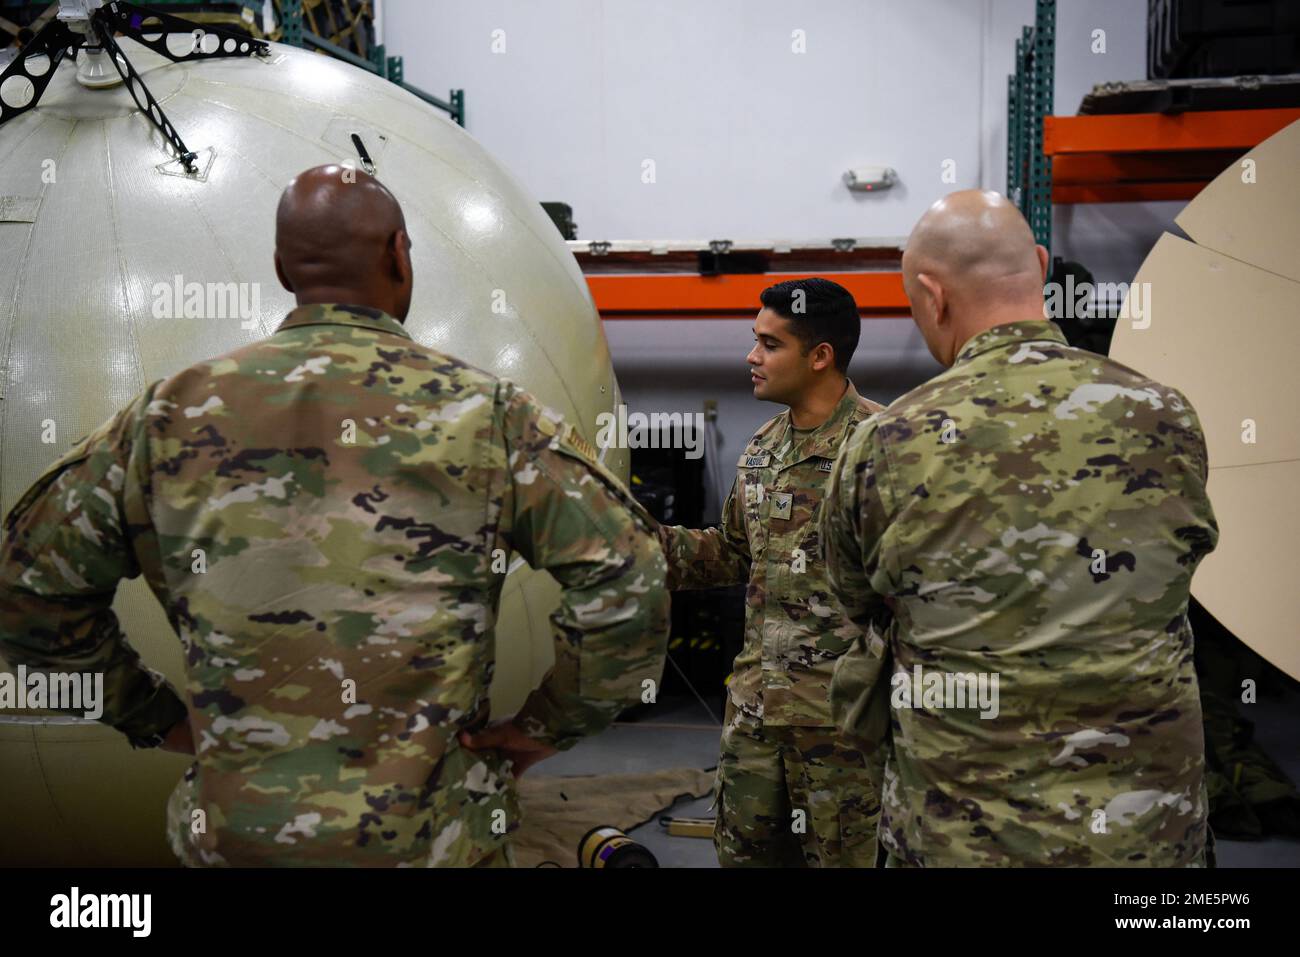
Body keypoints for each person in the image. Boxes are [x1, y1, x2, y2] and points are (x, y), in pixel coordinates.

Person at [0, 164, 669, 867]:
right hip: (432, 841)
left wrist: (155, 716)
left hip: (238, 839)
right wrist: (546, 725)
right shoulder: (486, 415)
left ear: (282, 266)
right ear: (399, 255)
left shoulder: (168, 415)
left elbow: (27, 586)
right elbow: (631, 579)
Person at [821, 189, 1219, 867]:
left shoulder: (887, 441)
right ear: (1038, 262)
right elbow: (1181, 566)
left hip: (963, 834)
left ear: (931, 296)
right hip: (1148, 833)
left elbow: (857, 599)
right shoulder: (1165, 415)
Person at [657, 277, 883, 866]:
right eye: (754, 341)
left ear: (820, 356)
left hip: (841, 731)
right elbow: (733, 552)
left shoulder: (881, 449)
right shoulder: (764, 446)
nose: (751, 357)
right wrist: (634, 546)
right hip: (756, 720)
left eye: (769, 344)